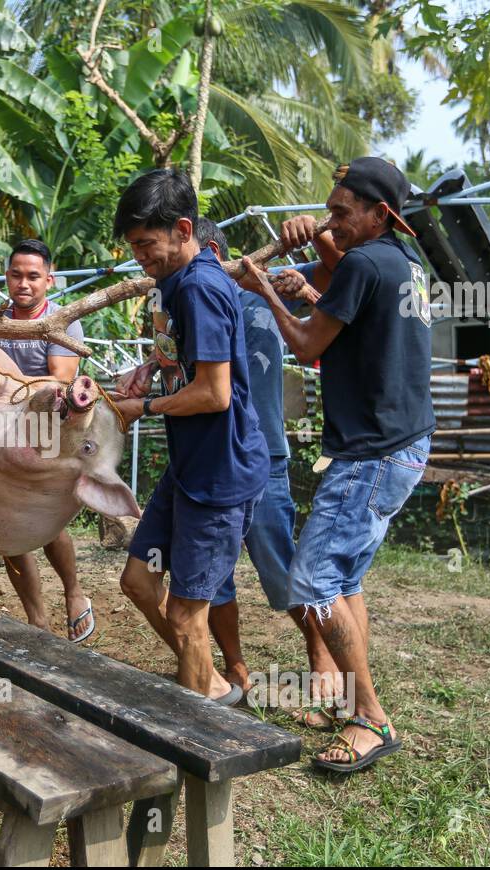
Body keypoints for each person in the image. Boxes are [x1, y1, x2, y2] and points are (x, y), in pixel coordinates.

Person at [242, 157, 436, 772]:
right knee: (345, 581)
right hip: (403, 445)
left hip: (371, 454)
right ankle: (351, 703)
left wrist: (266, 286)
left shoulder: (362, 262)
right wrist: (315, 258)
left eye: (341, 212)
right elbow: (349, 302)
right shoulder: (406, 264)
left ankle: (370, 719)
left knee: (313, 583)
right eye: (329, 211)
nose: (333, 221)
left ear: (380, 213)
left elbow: (304, 344)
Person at [110, 169, 270, 703]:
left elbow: (214, 394)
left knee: (185, 612)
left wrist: (143, 406)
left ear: (183, 229)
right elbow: (178, 348)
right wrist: (150, 367)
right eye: (133, 245)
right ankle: (212, 685)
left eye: (145, 244)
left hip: (218, 476)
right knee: (138, 580)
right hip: (190, 469)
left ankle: (200, 734)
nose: (139, 256)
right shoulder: (174, 282)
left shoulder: (201, 286)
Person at [193, 216, 351, 727]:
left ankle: (320, 657)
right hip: (206, 460)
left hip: (263, 456)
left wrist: (316, 236)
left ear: (213, 252)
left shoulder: (265, 284)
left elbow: (340, 275)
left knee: (281, 569)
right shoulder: (180, 302)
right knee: (212, 577)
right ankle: (236, 670)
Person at [0, 239, 95, 641]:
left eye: (33, 276)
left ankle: (73, 592)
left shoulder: (63, 322)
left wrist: (6, 383)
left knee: (46, 523)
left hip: (49, 436)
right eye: (16, 275)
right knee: (7, 527)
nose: (24, 284)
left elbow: (61, 381)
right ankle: (36, 620)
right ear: (7, 278)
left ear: (49, 279)